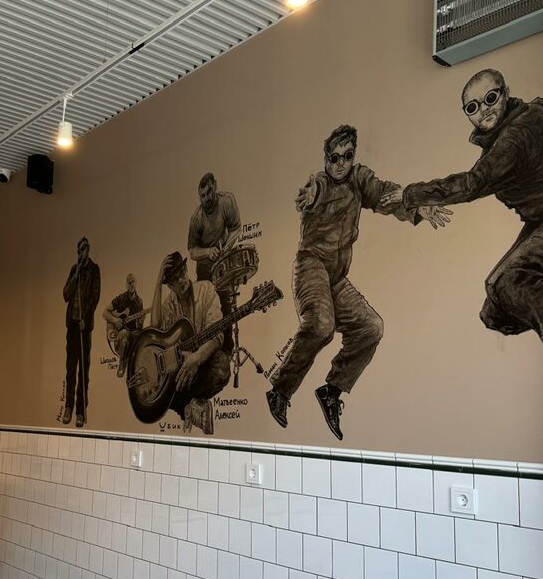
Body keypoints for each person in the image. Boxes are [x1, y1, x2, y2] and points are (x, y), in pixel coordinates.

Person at [267, 125, 450, 440]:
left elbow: (386, 194)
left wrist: (418, 204)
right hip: (311, 267)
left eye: (347, 156)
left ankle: (332, 390)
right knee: (321, 325)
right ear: (326, 158)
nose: (341, 164)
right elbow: (313, 191)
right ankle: (280, 390)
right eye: (334, 158)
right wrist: (308, 195)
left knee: (371, 327)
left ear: (353, 156)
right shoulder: (320, 183)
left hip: (337, 277)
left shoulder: (359, 179)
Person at [381, 69, 543, 340]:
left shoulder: (513, 138)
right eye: (473, 107)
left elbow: (471, 184)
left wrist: (409, 194)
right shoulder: (526, 116)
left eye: (490, 98)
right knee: (494, 313)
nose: (484, 110)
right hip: (538, 220)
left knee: (505, 283)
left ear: (506, 93)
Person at [150, 251, 231, 434]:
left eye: (182, 273)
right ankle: (190, 406)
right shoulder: (169, 305)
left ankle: (185, 405)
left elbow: (217, 334)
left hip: (203, 360)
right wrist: (158, 281)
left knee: (222, 366)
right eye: (175, 280)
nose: (181, 280)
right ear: (170, 286)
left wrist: (197, 358)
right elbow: (154, 328)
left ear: (187, 270)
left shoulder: (206, 289)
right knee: (158, 394)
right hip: (179, 368)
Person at [62, 237, 100, 427]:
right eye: (78, 250)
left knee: (84, 370)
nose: (81, 252)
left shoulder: (94, 269)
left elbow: (95, 296)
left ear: (88, 249)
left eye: (83, 249)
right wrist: (75, 275)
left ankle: (80, 410)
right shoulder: (74, 270)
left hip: (84, 326)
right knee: (70, 368)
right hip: (72, 326)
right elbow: (65, 295)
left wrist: (86, 316)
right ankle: (68, 406)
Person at [187, 172, 242, 282]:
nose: (206, 198)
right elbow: (192, 251)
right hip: (205, 271)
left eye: (209, 192)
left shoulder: (227, 201)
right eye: (203, 196)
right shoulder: (196, 218)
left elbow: (236, 228)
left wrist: (226, 248)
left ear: (215, 186)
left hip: (225, 264)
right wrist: (208, 252)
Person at [103, 273, 145, 378]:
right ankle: (122, 364)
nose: (131, 284)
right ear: (126, 285)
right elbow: (105, 312)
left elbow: (139, 327)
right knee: (124, 334)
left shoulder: (139, 302)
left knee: (144, 335)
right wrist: (115, 320)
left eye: (133, 282)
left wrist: (140, 322)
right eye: (129, 283)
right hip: (121, 337)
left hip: (133, 335)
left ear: (136, 283)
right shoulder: (120, 299)